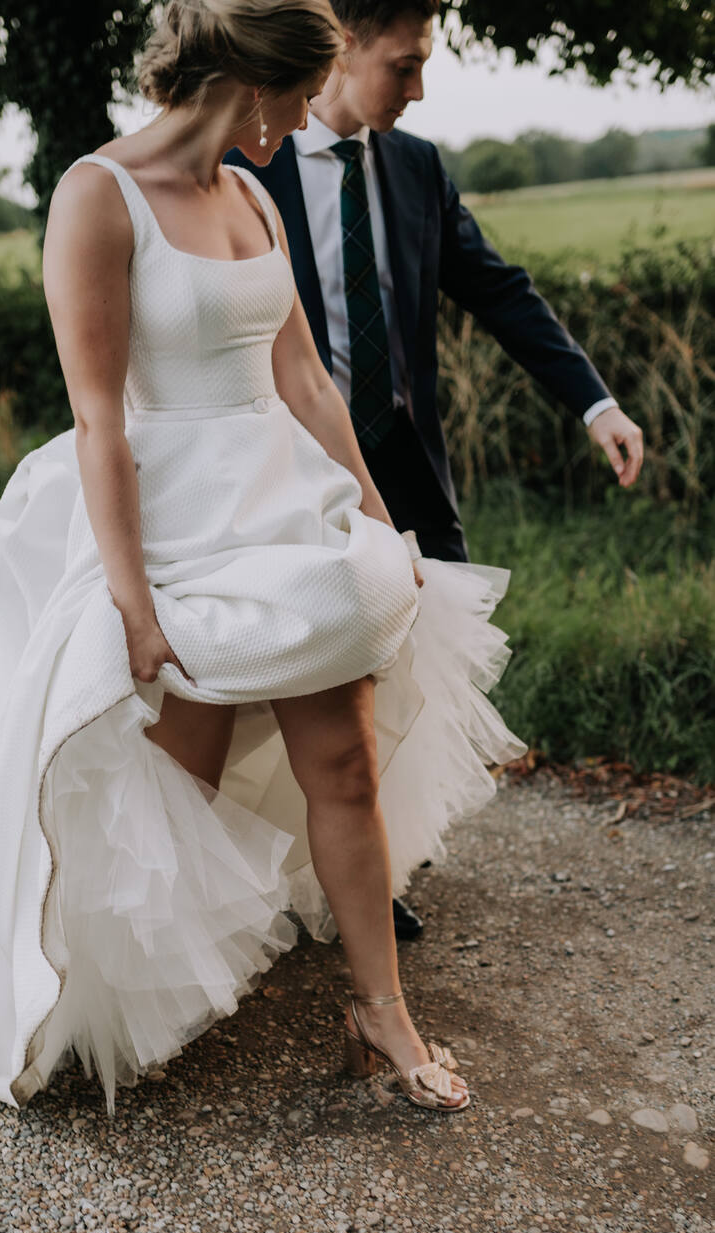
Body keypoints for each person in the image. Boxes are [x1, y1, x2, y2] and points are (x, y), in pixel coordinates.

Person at [0, 0, 526, 1119]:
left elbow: (302, 379)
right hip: (175, 531)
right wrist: (134, 605)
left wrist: (379, 516)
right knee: (176, 784)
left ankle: (381, 1014)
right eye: (301, 99)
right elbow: (100, 419)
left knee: (340, 763)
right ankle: (132, 1001)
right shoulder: (94, 198)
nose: (305, 124)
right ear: (257, 84)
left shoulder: (250, 193)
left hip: (286, 513)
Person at [226, 0, 644, 941]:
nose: (420, 87)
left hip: (408, 473)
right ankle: (272, 880)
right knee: (286, 683)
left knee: (405, 676)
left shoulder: (414, 166)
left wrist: (596, 402)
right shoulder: (244, 168)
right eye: (404, 65)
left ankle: (367, 874)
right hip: (280, 478)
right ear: (341, 49)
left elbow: (497, 289)